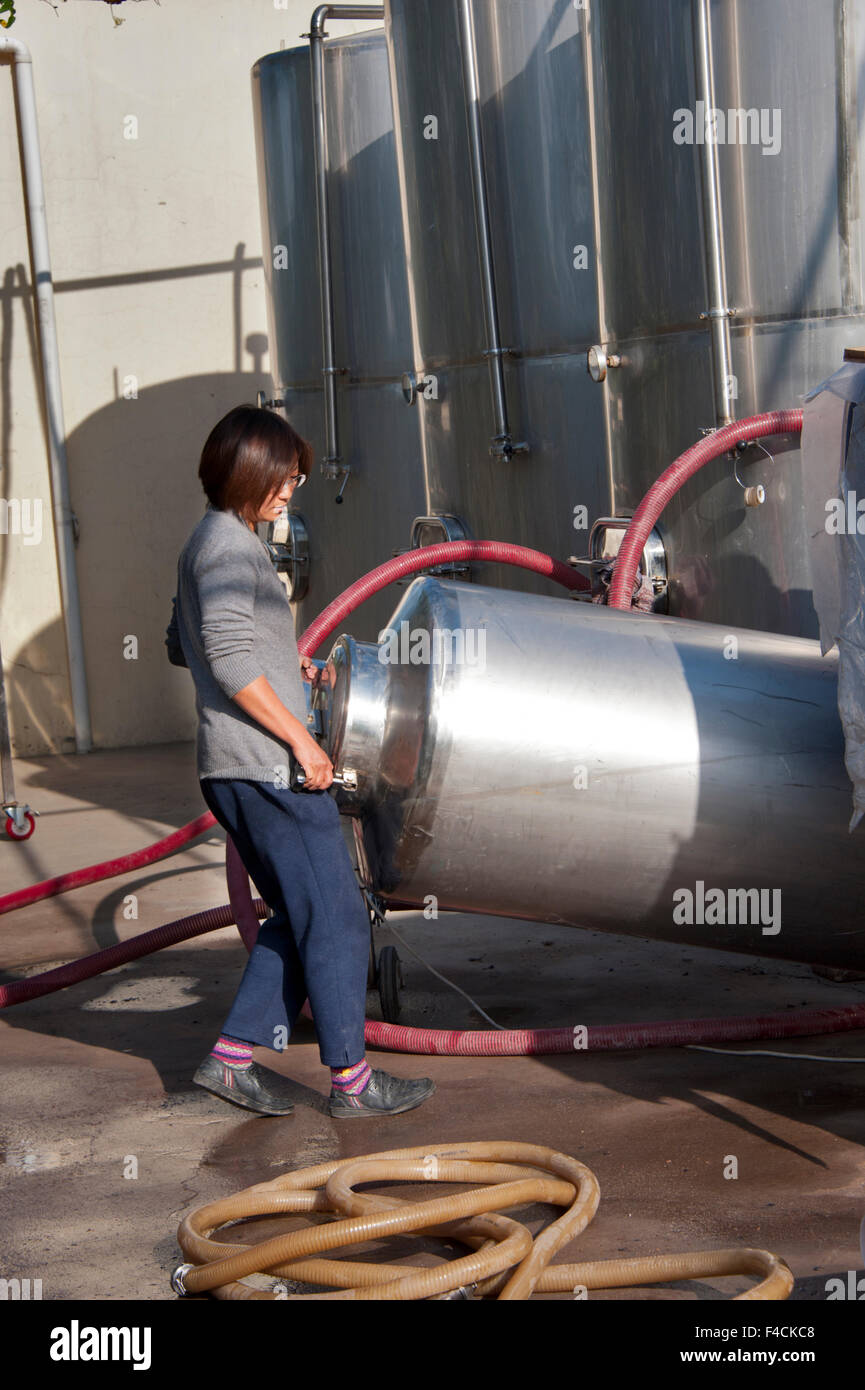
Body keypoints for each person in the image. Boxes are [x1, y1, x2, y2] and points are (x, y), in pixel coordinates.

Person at [164, 404, 435, 1119]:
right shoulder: (227, 547)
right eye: (283, 478)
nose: (291, 492)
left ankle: (230, 1061)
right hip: (264, 766)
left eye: (296, 479)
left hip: (237, 765)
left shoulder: (212, 542)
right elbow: (225, 658)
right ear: (245, 472)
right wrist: (303, 741)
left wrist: (293, 667)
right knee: (339, 917)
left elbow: (183, 642)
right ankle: (351, 1082)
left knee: (302, 913)